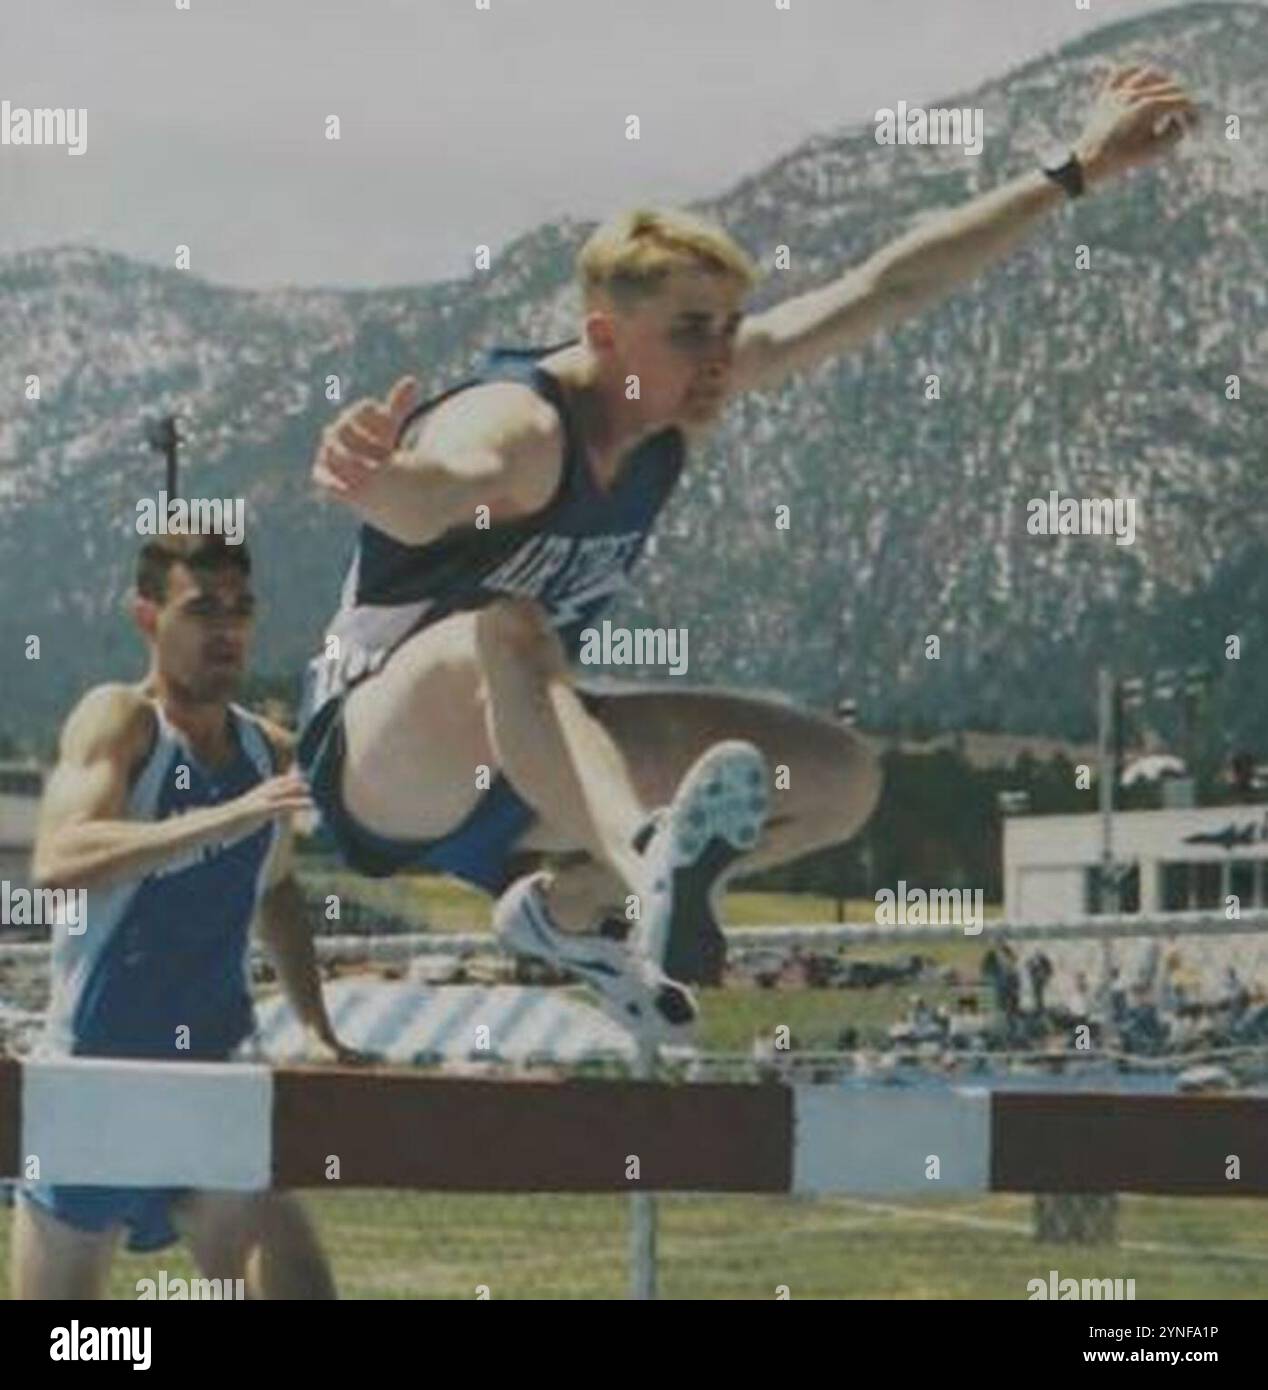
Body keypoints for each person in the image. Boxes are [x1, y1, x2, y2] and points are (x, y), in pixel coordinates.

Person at [300, 64, 1195, 1037]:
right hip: (384, 756)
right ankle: (645, 874)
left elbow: (883, 287)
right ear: (603, 335)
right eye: (690, 332)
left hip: (532, 758)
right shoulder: (521, 427)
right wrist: (372, 479)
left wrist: (1073, 171)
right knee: (505, 627)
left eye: (729, 326)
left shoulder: (682, 412)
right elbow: (437, 491)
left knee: (833, 777)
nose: (720, 356)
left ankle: (565, 912)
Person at [11, 533, 356, 1300]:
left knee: (305, 1291)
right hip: (95, 1078)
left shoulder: (267, 754)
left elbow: (277, 892)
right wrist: (224, 817)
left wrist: (318, 1025)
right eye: (202, 609)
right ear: (148, 617)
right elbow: (59, 856)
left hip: (214, 1074)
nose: (226, 629)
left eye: (240, 609)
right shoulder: (119, 721)